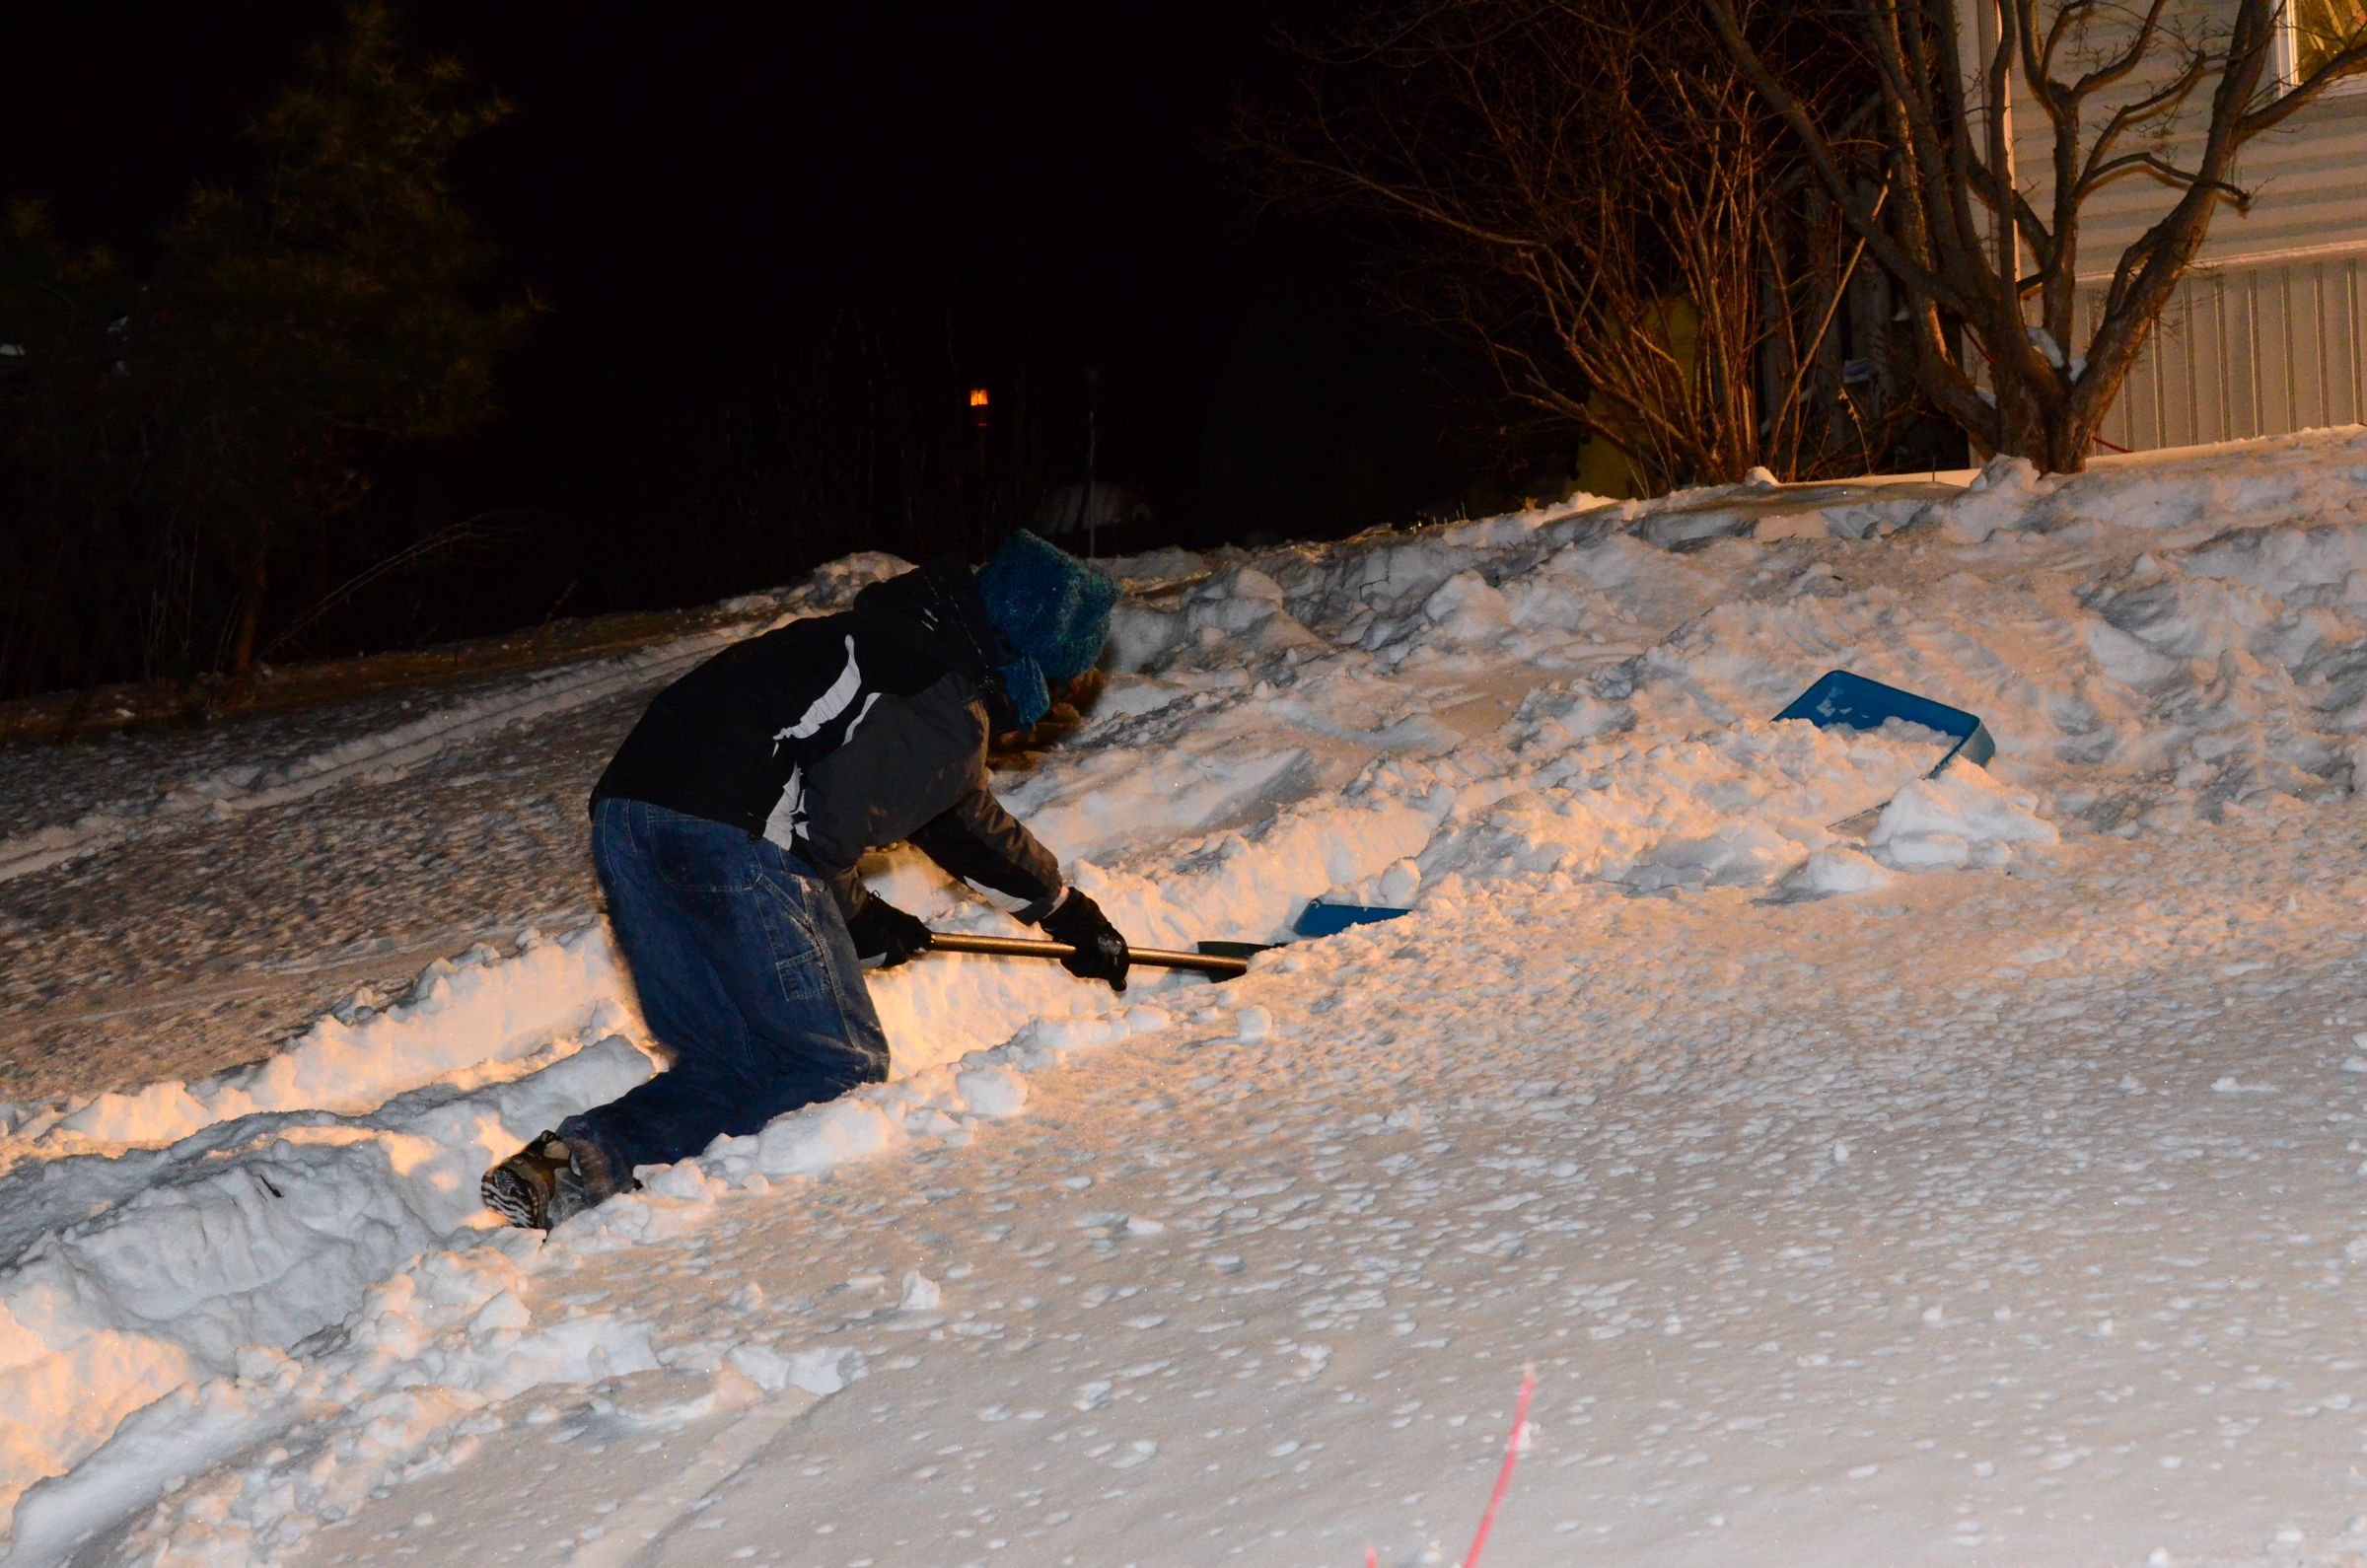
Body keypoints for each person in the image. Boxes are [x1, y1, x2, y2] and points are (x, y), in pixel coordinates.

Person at [481, 532, 1132, 1230]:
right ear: (1031, 654)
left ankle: (575, 1164)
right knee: (837, 1068)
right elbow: (824, 832)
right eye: (1065, 676)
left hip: (627, 822)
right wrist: (858, 921)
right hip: (730, 833)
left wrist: (1062, 909)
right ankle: (756, 1235)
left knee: (728, 1063)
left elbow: (952, 812)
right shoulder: (935, 698)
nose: (1059, 697)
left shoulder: (902, 647)